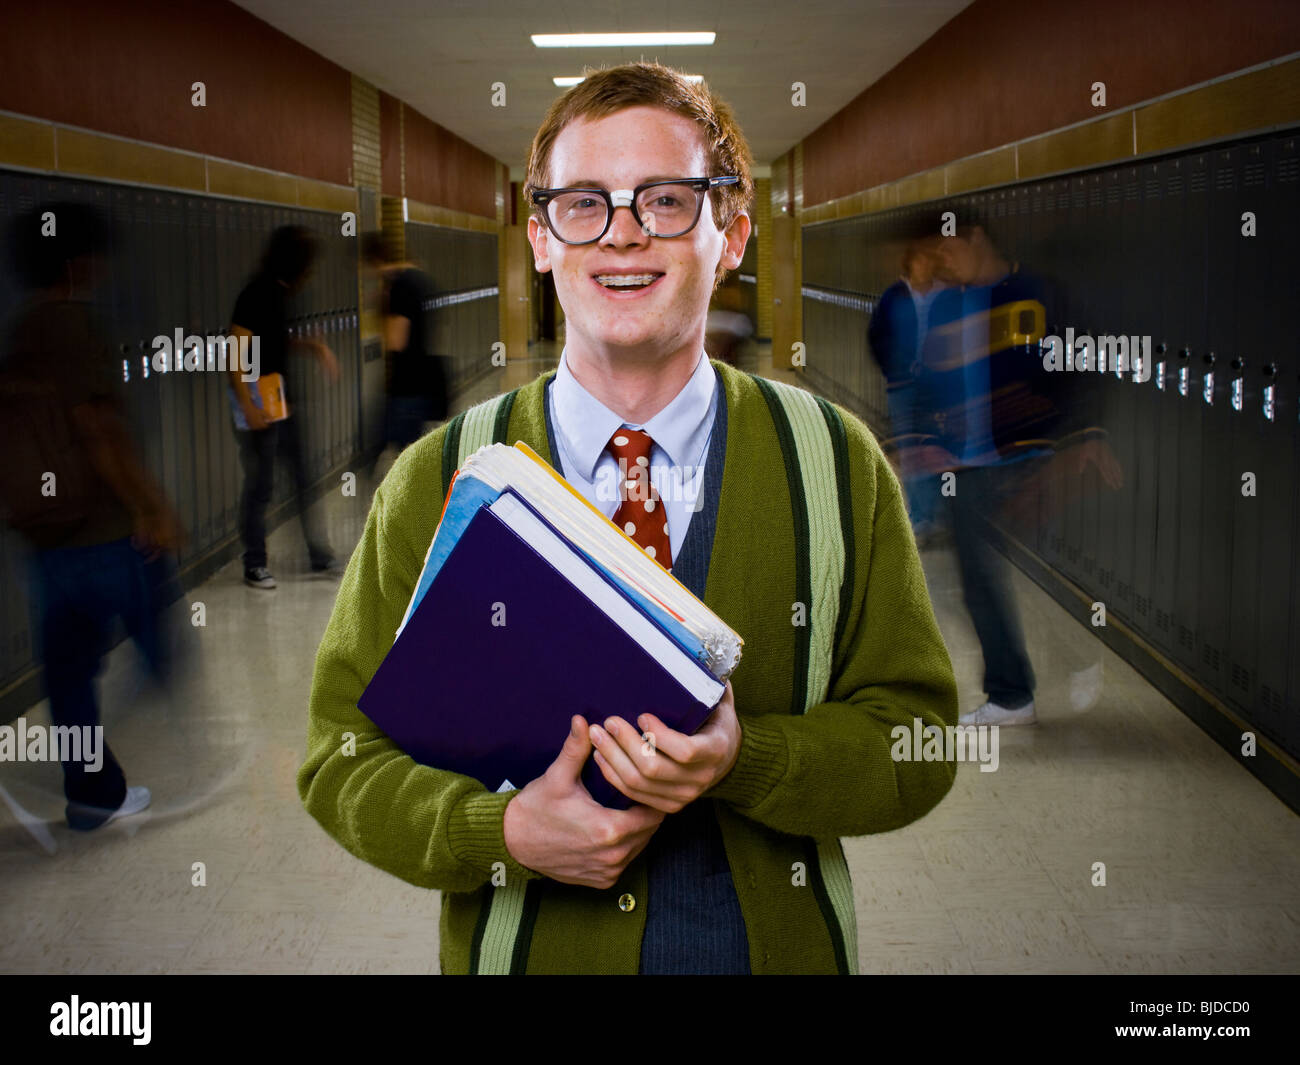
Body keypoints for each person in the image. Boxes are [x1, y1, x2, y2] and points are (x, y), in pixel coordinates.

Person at [299, 62, 959, 974]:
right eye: (584, 203)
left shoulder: (837, 465)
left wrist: (747, 759)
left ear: (731, 232)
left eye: (666, 200)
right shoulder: (441, 479)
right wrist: (502, 831)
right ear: (539, 237)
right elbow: (340, 759)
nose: (621, 236)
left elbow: (918, 747)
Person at [0, 202, 184, 830]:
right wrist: (152, 507)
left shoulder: (20, 330)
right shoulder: (75, 325)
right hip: (105, 534)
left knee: (69, 671)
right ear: (79, 262)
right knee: (159, 636)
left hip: (44, 538)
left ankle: (91, 792)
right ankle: (183, 742)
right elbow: (100, 430)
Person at [228, 225, 340, 590]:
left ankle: (318, 555)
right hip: (259, 406)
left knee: (303, 481)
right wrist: (248, 406)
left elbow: (272, 343)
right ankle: (254, 564)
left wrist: (312, 347)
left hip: (282, 405)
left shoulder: (279, 293)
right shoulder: (255, 293)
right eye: (306, 266)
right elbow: (236, 353)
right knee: (260, 487)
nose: (309, 275)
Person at [869, 232, 944, 542]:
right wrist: (893, 369)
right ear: (910, 263)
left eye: (930, 261)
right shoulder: (895, 297)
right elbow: (877, 336)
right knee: (913, 451)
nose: (925, 266)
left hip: (937, 386)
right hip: (903, 386)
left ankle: (932, 515)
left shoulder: (944, 294)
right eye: (920, 260)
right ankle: (921, 518)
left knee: (935, 449)